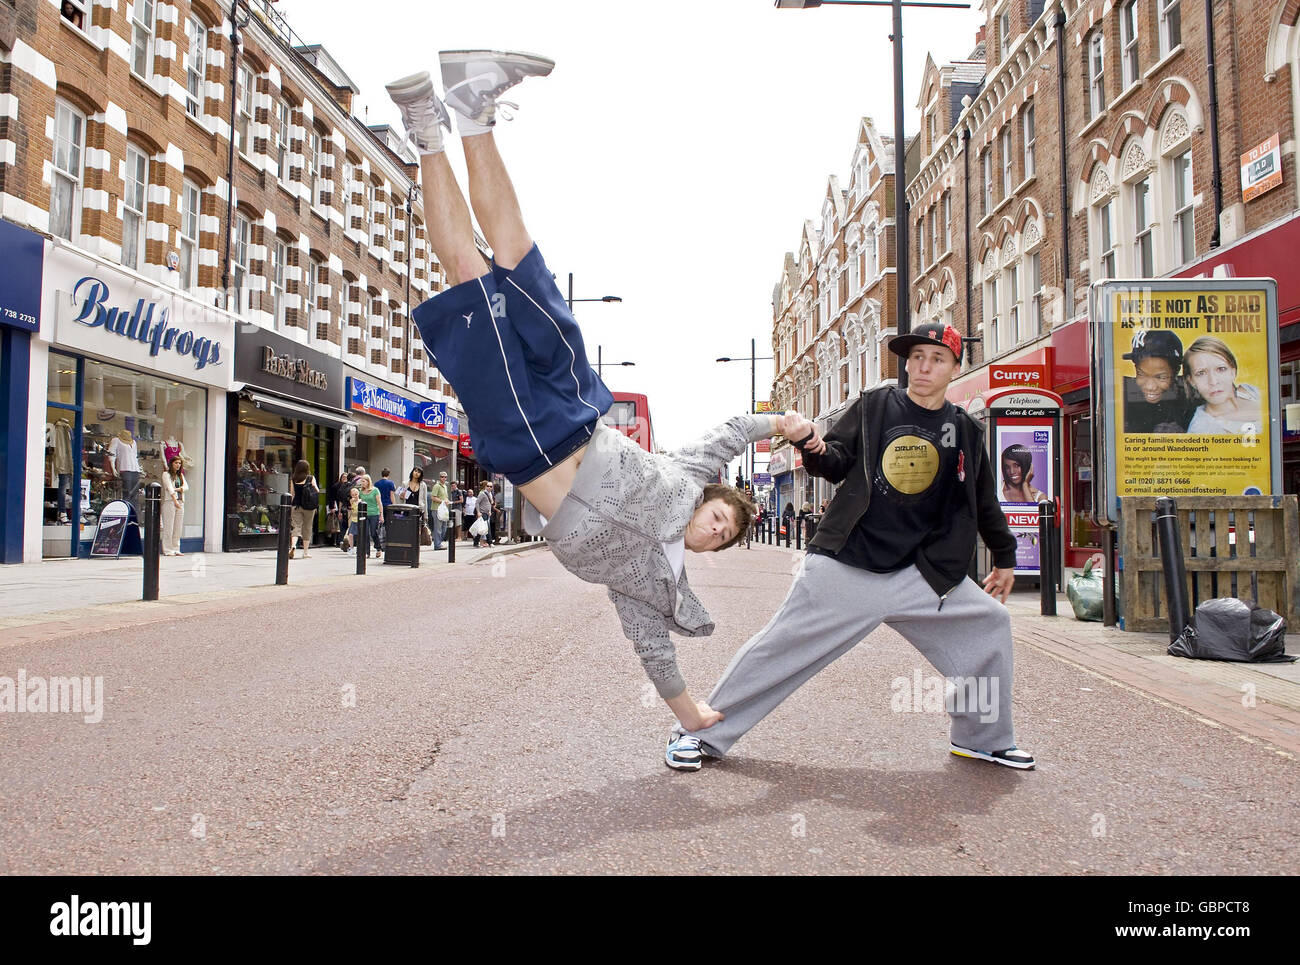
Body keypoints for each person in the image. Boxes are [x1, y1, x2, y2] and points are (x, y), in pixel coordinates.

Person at [386, 52, 805, 731]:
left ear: (713, 551)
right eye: (718, 514)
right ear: (707, 499)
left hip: (528, 443)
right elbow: (729, 432)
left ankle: (427, 132)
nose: (714, 525)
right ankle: (471, 110)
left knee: (468, 275)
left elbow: (654, 652)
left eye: (723, 534)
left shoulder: (654, 588)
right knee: (519, 261)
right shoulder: (689, 474)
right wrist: (780, 422)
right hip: (580, 404)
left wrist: (688, 710)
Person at [664, 322, 1034, 771]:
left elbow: (982, 499)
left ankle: (983, 738)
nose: (923, 367)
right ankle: (698, 734)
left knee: (988, 625)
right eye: (916, 357)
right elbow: (833, 462)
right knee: (778, 650)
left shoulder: (966, 432)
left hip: (924, 574)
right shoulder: (877, 406)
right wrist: (811, 446)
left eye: (936, 359)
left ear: (956, 367)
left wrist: (1006, 556)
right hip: (849, 564)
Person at [1183, 336, 1263, 435]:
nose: (1213, 381)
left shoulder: (1252, 391)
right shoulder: (1201, 430)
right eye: (1201, 373)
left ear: (1233, 371)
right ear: (1191, 381)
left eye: (1221, 369)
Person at [1121, 330, 1193, 433]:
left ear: (1176, 372)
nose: (1150, 386)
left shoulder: (1190, 398)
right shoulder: (1119, 397)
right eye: (1141, 374)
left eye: (1161, 377)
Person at [344, 474, 384, 557]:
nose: (362, 483)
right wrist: (352, 500)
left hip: (374, 513)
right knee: (365, 533)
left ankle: (378, 548)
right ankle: (367, 552)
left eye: (363, 481)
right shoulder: (361, 492)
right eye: (361, 481)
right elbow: (355, 499)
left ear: (368, 481)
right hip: (363, 514)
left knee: (373, 532)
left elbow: (379, 503)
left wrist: (381, 514)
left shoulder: (375, 490)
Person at [159, 455, 187, 556]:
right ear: (171, 463)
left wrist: (179, 489)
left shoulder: (180, 475)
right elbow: (169, 488)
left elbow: (185, 487)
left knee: (178, 527)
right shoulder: (166, 474)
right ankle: (167, 549)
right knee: (169, 527)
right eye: (176, 463)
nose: (178, 465)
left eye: (179, 463)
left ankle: (176, 548)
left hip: (180, 501)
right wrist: (175, 499)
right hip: (170, 502)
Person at [401, 466, 430, 544]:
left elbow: (425, 500)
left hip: (418, 511)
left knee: (417, 530)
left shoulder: (423, 485)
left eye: (419, 472)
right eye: (415, 471)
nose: (417, 473)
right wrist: (402, 495)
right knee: (406, 529)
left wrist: (426, 515)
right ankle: (407, 543)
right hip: (407, 510)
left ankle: (415, 545)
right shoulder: (405, 483)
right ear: (412, 472)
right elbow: (401, 498)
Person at [328, 472, 351, 547]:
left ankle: (342, 540)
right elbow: (332, 497)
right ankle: (337, 541)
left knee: (341, 525)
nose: (344, 479)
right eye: (343, 477)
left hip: (343, 507)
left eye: (346, 477)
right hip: (338, 506)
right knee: (337, 524)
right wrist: (332, 507)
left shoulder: (348, 486)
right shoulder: (336, 486)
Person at [429, 471, 450, 550]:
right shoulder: (436, 486)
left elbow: (446, 497)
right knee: (438, 528)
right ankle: (437, 545)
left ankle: (439, 543)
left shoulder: (445, 486)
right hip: (436, 509)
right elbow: (433, 497)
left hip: (444, 510)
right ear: (439, 477)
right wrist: (442, 501)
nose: (444, 478)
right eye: (442, 476)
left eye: (445, 477)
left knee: (444, 527)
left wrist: (447, 501)